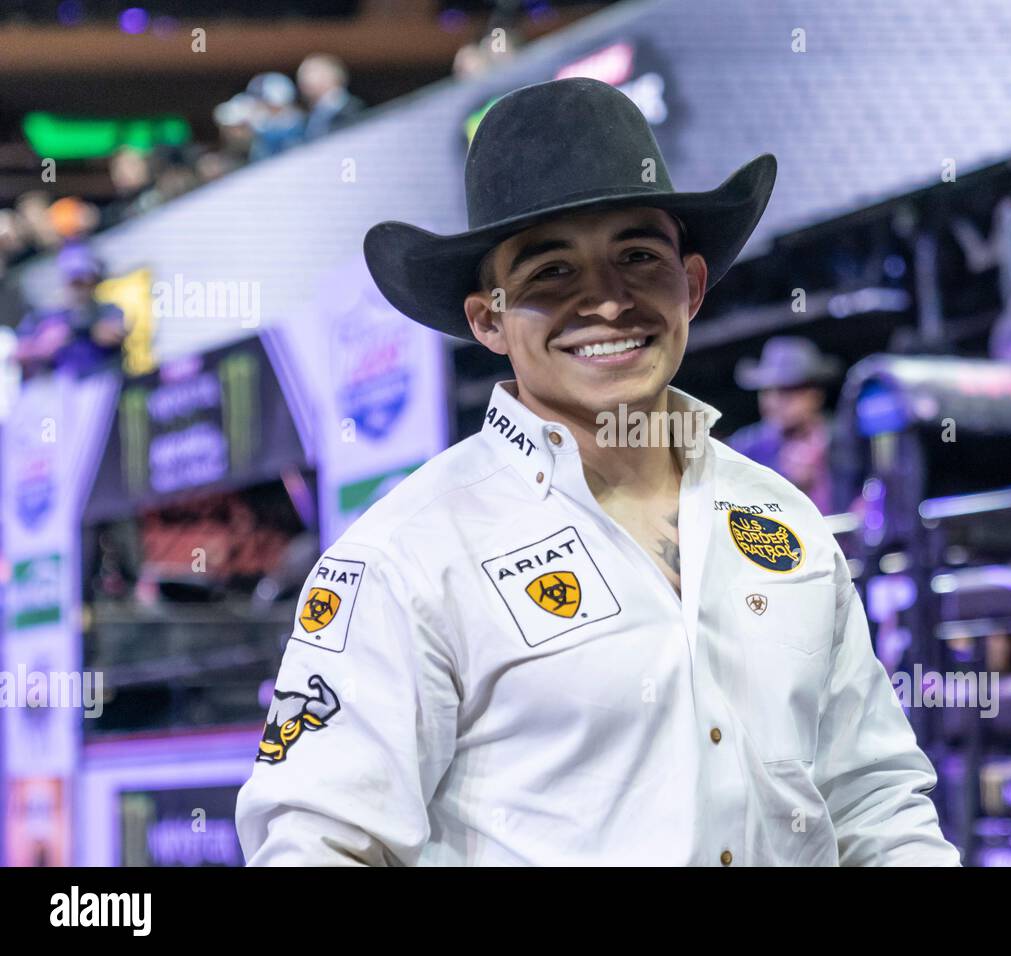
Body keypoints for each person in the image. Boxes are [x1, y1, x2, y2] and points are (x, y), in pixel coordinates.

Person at [235, 77, 959, 867]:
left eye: (637, 256)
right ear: (489, 319)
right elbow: (316, 846)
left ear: (690, 285)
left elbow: (875, 801)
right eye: (551, 272)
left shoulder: (781, 518)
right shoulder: (402, 558)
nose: (608, 302)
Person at [726, 336, 841, 514]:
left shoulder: (842, 439)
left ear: (815, 395)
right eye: (767, 391)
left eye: (787, 391)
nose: (773, 401)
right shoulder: (745, 450)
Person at [15, 244, 125, 380]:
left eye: (84, 280)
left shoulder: (107, 308)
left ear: (94, 280)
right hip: (57, 385)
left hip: (100, 379)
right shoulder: (45, 314)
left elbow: (112, 334)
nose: (79, 286)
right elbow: (18, 353)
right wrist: (41, 348)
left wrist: (73, 331)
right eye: (74, 280)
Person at [296, 53, 365, 142]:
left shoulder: (353, 109)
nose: (302, 79)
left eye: (309, 72)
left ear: (330, 75)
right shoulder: (311, 115)